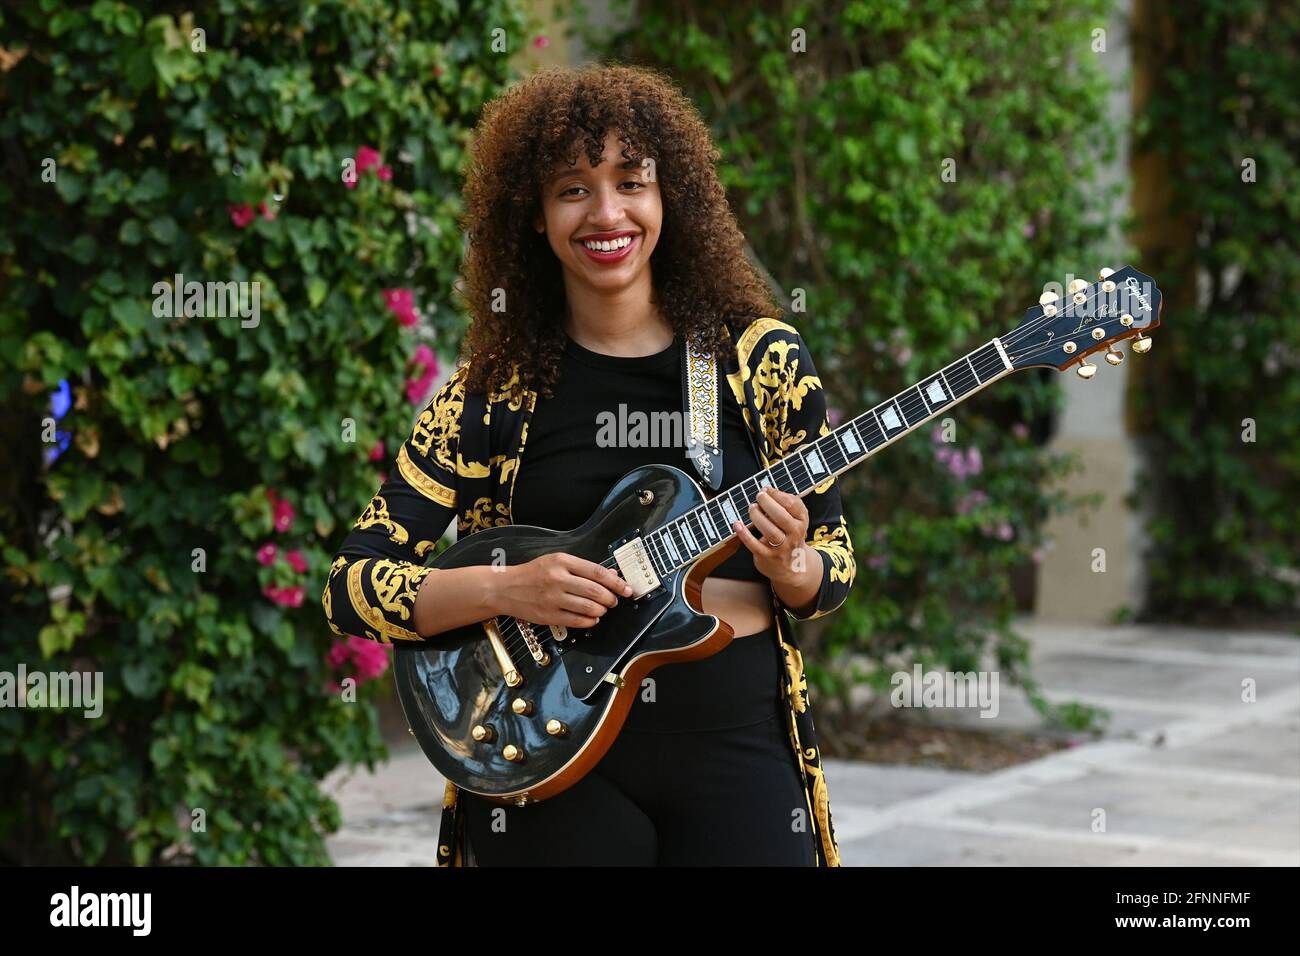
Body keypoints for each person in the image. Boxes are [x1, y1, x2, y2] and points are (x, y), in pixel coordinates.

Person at [322, 64, 857, 866]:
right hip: (549, 759)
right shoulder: (491, 396)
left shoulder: (760, 361)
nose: (607, 213)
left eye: (631, 182)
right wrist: (508, 587)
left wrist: (792, 563)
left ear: (668, 197)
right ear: (534, 217)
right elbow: (351, 586)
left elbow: (834, 567)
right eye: (572, 188)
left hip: (733, 747)